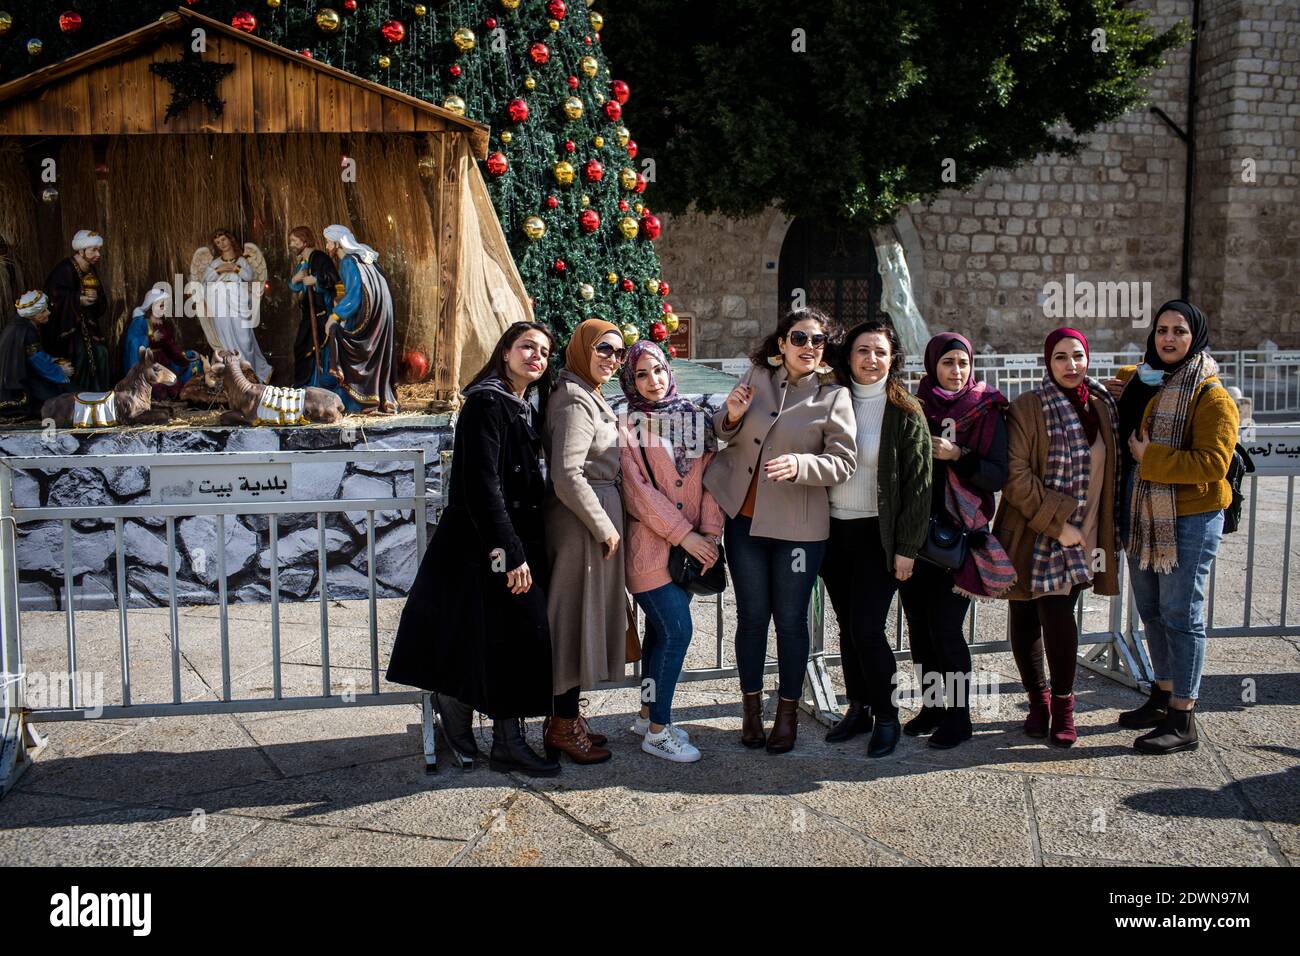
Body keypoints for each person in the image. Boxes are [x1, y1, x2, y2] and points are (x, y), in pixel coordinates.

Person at [386, 321, 560, 777]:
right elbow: (482, 486)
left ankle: (503, 739)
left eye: (543, 351)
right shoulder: (486, 403)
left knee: (509, 641)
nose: (536, 357)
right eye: (527, 347)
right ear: (505, 352)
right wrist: (511, 553)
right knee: (509, 638)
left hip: (506, 543)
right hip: (486, 547)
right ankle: (505, 742)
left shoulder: (521, 405)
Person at [703, 308, 856, 754]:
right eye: (800, 337)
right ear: (781, 343)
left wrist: (802, 464)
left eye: (819, 340)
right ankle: (750, 710)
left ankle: (787, 714)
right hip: (745, 521)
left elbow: (844, 461)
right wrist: (728, 416)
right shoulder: (756, 375)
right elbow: (723, 434)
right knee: (751, 617)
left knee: (790, 621)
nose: (810, 346)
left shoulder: (834, 396)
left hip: (799, 529)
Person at [1108, 300, 1238, 754]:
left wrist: (1152, 459)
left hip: (1189, 517)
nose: (1169, 339)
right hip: (1145, 515)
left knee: (1183, 616)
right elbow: (1130, 381)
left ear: (1195, 336)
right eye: (1162, 330)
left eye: (1179, 331)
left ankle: (1183, 717)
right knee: (1152, 610)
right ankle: (1161, 695)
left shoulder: (1211, 396)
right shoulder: (1146, 380)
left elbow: (1213, 464)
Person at [992, 328, 1120, 748]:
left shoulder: (1102, 406)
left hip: (1083, 534)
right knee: (1027, 615)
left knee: (1058, 615)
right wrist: (1056, 524)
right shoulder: (1029, 406)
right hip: (1033, 531)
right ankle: (1038, 701)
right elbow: (1014, 475)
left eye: (1078, 356)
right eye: (1061, 357)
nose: (1071, 365)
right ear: (1048, 362)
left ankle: (1064, 705)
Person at [820, 320, 932, 758]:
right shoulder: (831, 400)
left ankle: (887, 716)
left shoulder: (905, 411)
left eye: (880, 352)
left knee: (868, 628)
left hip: (877, 537)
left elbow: (920, 487)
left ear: (892, 359)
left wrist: (907, 548)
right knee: (848, 628)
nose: (871, 359)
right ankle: (858, 707)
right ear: (848, 357)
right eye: (862, 350)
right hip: (832, 532)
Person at [899, 332, 1014, 749]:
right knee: (920, 629)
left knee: (947, 630)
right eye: (948, 363)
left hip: (960, 538)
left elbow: (997, 474)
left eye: (962, 363)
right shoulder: (915, 406)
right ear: (933, 366)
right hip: (916, 535)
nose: (956, 371)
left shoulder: (987, 409)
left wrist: (957, 455)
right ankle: (932, 707)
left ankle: (959, 716)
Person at [618, 340, 724, 763]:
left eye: (658, 370)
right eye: (641, 374)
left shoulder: (694, 419)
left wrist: (711, 534)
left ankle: (647, 713)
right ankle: (659, 732)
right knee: (678, 631)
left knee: (659, 634)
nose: (653, 381)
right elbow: (636, 493)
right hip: (651, 551)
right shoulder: (627, 424)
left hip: (691, 552)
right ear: (630, 380)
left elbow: (713, 478)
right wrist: (685, 535)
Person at [542, 319, 627, 764]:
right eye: (604, 349)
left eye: (618, 352)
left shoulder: (587, 392)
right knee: (572, 625)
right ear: (582, 349)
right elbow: (567, 474)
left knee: (580, 622)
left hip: (587, 524)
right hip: (579, 529)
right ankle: (560, 726)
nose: (612, 358)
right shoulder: (575, 399)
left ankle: (569, 718)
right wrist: (603, 527)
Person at [322, 224, 398, 415]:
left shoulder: (348, 261)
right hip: (380, 315)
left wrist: (334, 316)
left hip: (366, 317)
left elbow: (354, 295)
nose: (327, 246)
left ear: (338, 243)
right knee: (375, 355)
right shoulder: (363, 257)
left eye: (329, 242)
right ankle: (376, 397)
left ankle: (354, 400)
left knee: (339, 337)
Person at [197, 229, 272, 383]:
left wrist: (234, 268)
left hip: (239, 304)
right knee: (224, 340)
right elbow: (206, 279)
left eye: (224, 240)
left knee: (245, 339)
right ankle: (231, 377)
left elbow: (249, 275)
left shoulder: (241, 261)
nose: (221, 244)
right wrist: (219, 269)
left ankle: (250, 374)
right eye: (218, 242)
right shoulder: (216, 263)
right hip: (220, 306)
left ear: (230, 240)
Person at [43, 229, 109, 390]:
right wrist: (78, 299)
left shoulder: (91, 270)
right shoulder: (65, 269)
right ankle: (79, 393)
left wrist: (95, 298)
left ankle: (98, 392)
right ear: (81, 250)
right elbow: (54, 295)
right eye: (93, 250)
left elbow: (100, 298)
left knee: (101, 352)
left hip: (88, 324)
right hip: (68, 326)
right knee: (79, 354)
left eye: (98, 249)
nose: (97, 254)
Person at [0, 291, 71, 419]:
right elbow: (39, 363)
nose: (48, 313)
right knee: (60, 398)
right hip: (19, 383)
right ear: (32, 315)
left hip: (21, 374)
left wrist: (53, 360)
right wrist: (60, 371)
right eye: (43, 311)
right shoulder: (27, 331)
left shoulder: (19, 325)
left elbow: (35, 355)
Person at [122, 287, 201, 402]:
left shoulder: (162, 324)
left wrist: (184, 355)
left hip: (163, 362)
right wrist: (151, 338)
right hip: (149, 363)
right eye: (161, 306)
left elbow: (169, 344)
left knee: (174, 385)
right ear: (151, 305)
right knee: (158, 389)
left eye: (165, 307)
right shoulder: (141, 322)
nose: (163, 310)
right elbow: (134, 341)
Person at [287, 226, 339, 389]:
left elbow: (333, 279)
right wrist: (295, 280)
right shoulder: (302, 264)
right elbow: (295, 287)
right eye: (291, 241)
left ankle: (318, 385)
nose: (292, 245)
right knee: (301, 347)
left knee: (315, 347)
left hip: (321, 313)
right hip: (308, 314)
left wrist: (316, 281)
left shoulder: (320, 258)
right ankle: (305, 385)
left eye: (295, 241)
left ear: (305, 240)